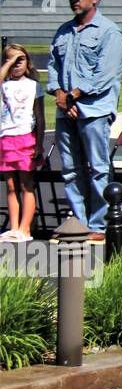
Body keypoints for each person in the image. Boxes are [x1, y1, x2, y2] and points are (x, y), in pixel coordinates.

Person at [46, 0, 122, 242]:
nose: (74, 1)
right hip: (66, 109)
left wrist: (73, 97)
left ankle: (98, 225)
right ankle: (77, 222)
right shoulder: (63, 30)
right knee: (70, 169)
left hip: (94, 110)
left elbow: (105, 74)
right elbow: (54, 65)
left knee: (97, 168)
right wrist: (59, 93)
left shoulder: (109, 32)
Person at [0, 45, 44, 244]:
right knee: (10, 186)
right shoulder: (4, 84)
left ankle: (25, 228)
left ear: (27, 62)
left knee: (26, 184)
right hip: (6, 138)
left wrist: (39, 143)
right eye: (11, 60)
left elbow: (40, 117)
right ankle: (14, 227)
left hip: (26, 137)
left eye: (20, 60)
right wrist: (8, 62)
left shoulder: (33, 85)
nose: (16, 65)